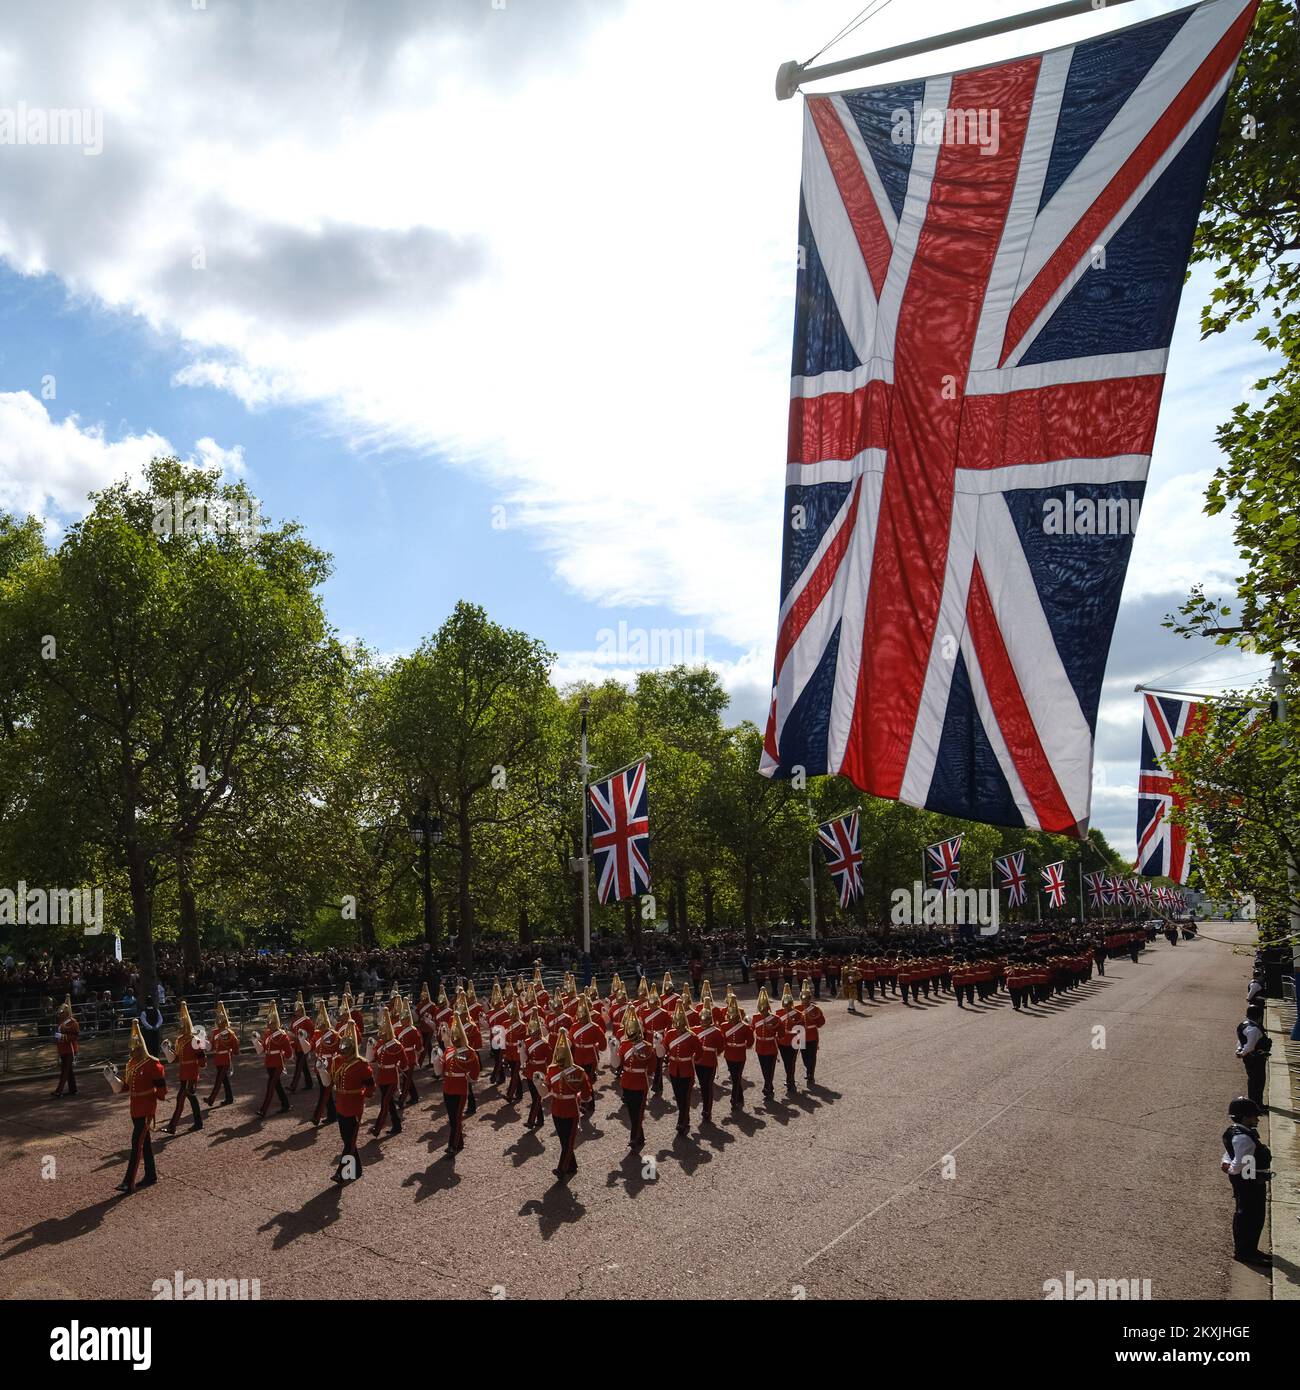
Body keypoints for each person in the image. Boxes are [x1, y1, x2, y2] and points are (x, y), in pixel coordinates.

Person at [114, 1020, 167, 1194]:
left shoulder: (151, 1063)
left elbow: (161, 1090)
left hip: (146, 1108)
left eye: (135, 1048)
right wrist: (112, 1078)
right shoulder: (131, 1064)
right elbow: (126, 1087)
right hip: (135, 1107)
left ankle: (129, 1182)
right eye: (131, 1048)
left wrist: (155, 1099)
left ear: (141, 1047)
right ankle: (151, 1175)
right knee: (145, 1144)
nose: (132, 1051)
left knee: (136, 1143)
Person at [1221, 1097, 1272, 1265]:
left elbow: (1230, 1153)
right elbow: (1239, 1162)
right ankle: (1244, 1252)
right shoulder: (1243, 1137)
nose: (1257, 1119)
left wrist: (1227, 1163)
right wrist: (1230, 1168)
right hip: (1249, 1180)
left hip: (1249, 1179)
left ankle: (1250, 1249)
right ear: (1244, 1117)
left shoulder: (1236, 1132)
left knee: (1253, 1215)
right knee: (1250, 1216)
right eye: (1253, 1116)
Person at [330, 1024, 374, 1184]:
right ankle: (358, 1169)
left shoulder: (361, 1065)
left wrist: (362, 1095)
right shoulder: (340, 1061)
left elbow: (370, 1086)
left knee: (350, 1141)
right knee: (347, 1139)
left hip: (354, 1106)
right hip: (341, 1104)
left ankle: (343, 1173)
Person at [545, 1030, 593, 1179]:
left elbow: (586, 1092)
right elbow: (546, 1089)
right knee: (564, 1140)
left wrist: (583, 1099)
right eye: (558, 1052)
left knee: (568, 1141)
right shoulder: (551, 1070)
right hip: (556, 1109)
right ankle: (572, 1165)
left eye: (562, 1052)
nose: (560, 1055)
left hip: (571, 1109)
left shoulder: (578, 1071)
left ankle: (562, 1169)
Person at [165, 1001, 206, 1133]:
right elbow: (177, 1058)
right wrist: (168, 1050)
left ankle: (172, 1126)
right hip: (184, 1073)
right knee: (191, 1098)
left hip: (191, 1074)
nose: (180, 1026)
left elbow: (202, 1059)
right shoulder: (179, 1040)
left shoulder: (194, 1039)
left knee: (181, 1098)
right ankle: (198, 1123)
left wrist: (200, 1065)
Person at [441, 1017, 480, 1156]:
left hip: (460, 1088)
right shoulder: (448, 1050)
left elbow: (475, 1069)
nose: (455, 1039)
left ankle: (452, 1146)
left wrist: (471, 1078)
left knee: (457, 1118)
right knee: (452, 1118)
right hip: (448, 1088)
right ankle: (460, 1142)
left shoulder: (469, 1052)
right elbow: (442, 1069)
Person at [617, 1008, 653, 1148]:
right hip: (627, 1082)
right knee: (632, 1111)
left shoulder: (647, 1047)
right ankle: (640, 1136)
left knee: (639, 1111)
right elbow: (617, 1064)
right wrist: (614, 1050)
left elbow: (651, 1068)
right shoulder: (625, 1045)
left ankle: (634, 1138)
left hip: (640, 1082)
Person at [664, 1000, 701, 1136]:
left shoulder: (692, 1036)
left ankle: (682, 1122)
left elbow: (699, 1053)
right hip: (674, 1069)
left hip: (686, 1070)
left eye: (680, 1026)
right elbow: (665, 1048)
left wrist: (690, 1060)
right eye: (676, 1025)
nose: (678, 1029)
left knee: (685, 1097)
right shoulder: (670, 1034)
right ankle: (685, 1117)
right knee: (679, 1096)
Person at [370, 1010, 406, 1137]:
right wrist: (371, 1047)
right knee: (389, 1103)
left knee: (385, 1104)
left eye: (383, 1034)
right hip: (382, 1077)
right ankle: (397, 1125)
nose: (381, 1036)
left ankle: (377, 1128)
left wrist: (397, 1067)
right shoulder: (380, 1043)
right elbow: (373, 1058)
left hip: (391, 1077)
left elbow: (404, 1062)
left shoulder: (397, 1045)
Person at [256, 1002, 295, 1116]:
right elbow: (263, 1048)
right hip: (269, 1062)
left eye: (271, 1022)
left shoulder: (282, 1035)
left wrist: (283, 1056)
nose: (269, 1024)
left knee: (271, 1086)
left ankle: (263, 1110)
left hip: (277, 1063)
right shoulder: (267, 1033)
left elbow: (288, 1053)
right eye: (268, 1022)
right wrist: (255, 1042)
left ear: (276, 1023)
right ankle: (286, 1104)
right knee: (277, 1085)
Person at [1235, 1004, 1270, 1112]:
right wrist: (1242, 1053)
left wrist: (1239, 1050)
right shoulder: (1254, 1029)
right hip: (1256, 1058)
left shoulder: (1243, 1025)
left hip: (1250, 1057)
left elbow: (1241, 1041)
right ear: (1259, 1017)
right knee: (1258, 1082)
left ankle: (1256, 1104)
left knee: (1254, 1081)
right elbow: (1250, 1046)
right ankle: (1256, 1106)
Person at [721, 994, 753, 1110]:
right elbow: (723, 1040)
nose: (732, 1019)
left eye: (734, 1017)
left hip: (739, 1054)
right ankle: (740, 1097)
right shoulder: (724, 1026)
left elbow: (750, 1041)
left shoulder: (744, 1027)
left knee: (736, 1076)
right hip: (729, 1054)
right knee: (735, 1077)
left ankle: (734, 1099)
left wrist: (745, 1046)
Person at [311, 1002, 340, 1126]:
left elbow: (340, 1049)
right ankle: (333, 1114)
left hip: (329, 1065)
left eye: (322, 1023)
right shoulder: (317, 1034)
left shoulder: (334, 1035)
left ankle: (317, 1117)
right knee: (325, 1092)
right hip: (320, 1064)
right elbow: (311, 1046)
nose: (320, 1026)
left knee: (325, 1091)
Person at [523, 1009, 552, 1131]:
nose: (533, 1035)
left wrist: (548, 1072)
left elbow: (550, 1059)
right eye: (531, 1032)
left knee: (537, 1097)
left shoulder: (544, 1043)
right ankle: (540, 1120)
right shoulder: (527, 1042)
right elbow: (525, 1057)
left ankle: (531, 1121)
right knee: (535, 1096)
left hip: (540, 1071)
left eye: (535, 1032)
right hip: (530, 1071)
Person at [206, 1002, 239, 1107]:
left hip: (225, 1058)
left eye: (221, 1020)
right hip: (218, 1058)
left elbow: (235, 1044)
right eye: (218, 1020)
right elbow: (210, 1046)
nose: (219, 1022)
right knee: (224, 1079)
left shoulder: (229, 1033)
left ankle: (211, 1099)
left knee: (219, 1080)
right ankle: (230, 1098)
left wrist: (234, 1052)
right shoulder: (215, 1032)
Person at [752, 988, 780, 1100]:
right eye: (761, 1010)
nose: (762, 1012)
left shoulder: (775, 1018)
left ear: (768, 1008)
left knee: (770, 1068)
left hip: (771, 1046)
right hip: (760, 1046)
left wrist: (774, 1028)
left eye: (764, 1010)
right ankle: (769, 1085)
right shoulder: (755, 1018)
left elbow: (781, 1033)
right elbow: (750, 1029)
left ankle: (767, 1087)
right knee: (764, 1068)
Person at [797, 982, 826, 1088]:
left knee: (812, 1056)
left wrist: (814, 1018)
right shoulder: (797, 1008)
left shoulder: (815, 1009)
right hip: (802, 1035)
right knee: (804, 1055)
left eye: (806, 998)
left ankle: (810, 1074)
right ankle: (808, 1070)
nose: (804, 1000)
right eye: (802, 998)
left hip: (812, 1035)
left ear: (809, 998)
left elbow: (821, 1022)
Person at [51, 996, 80, 1098]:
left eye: (61, 1012)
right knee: (69, 1071)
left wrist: (62, 1037)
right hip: (63, 1049)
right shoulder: (60, 1022)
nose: (59, 1014)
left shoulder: (72, 1022)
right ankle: (73, 1089)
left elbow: (75, 1036)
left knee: (65, 1071)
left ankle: (59, 1091)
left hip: (69, 1049)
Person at [288, 993, 314, 1092]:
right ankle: (309, 1083)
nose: (296, 1012)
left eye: (298, 1010)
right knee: (303, 1067)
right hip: (298, 1046)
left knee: (299, 1067)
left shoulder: (307, 1020)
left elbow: (312, 1032)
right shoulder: (294, 1021)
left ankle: (293, 1086)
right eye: (295, 1010)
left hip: (304, 1046)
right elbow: (293, 1033)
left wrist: (309, 1044)